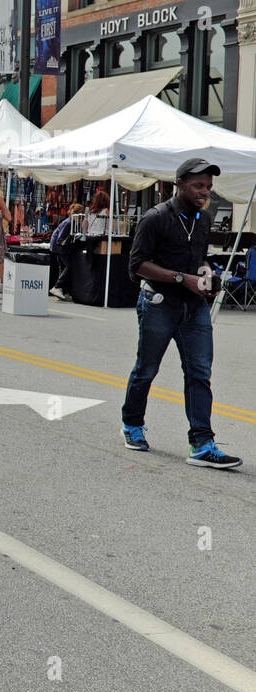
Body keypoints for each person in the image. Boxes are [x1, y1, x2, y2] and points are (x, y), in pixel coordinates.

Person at [120, 159, 240, 468]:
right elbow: (137, 266)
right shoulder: (155, 218)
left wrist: (207, 276)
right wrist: (180, 278)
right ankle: (132, 424)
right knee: (146, 369)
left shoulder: (203, 219)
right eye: (199, 186)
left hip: (194, 308)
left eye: (209, 187)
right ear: (180, 184)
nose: (205, 192)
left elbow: (199, 260)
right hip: (159, 304)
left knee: (199, 373)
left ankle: (201, 443)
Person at [48, 203, 86, 302]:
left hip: (59, 248)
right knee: (69, 266)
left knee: (63, 267)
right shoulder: (68, 223)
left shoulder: (71, 222)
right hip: (59, 248)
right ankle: (58, 286)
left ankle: (61, 290)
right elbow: (60, 240)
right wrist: (70, 239)